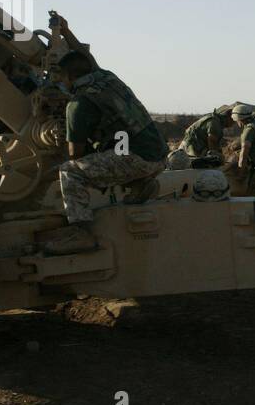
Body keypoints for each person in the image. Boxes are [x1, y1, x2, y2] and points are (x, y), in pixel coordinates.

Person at [44, 51, 168, 255]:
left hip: (136, 158)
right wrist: (65, 31)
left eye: (61, 77)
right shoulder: (108, 78)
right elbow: (86, 57)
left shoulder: (78, 105)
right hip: (159, 155)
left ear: (69, 77)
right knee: (107, 157)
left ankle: (81, 233)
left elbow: (76, 154)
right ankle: (140, 184)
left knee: (71, 171)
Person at [166, 105, 231, 170]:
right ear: (227, 117)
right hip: (191, 148)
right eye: (232, 119)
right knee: (192, 168)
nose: (234, 122)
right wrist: (217, 158)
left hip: (196, 146)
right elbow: (212, 142)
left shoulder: (215, 121)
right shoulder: (214, 122)